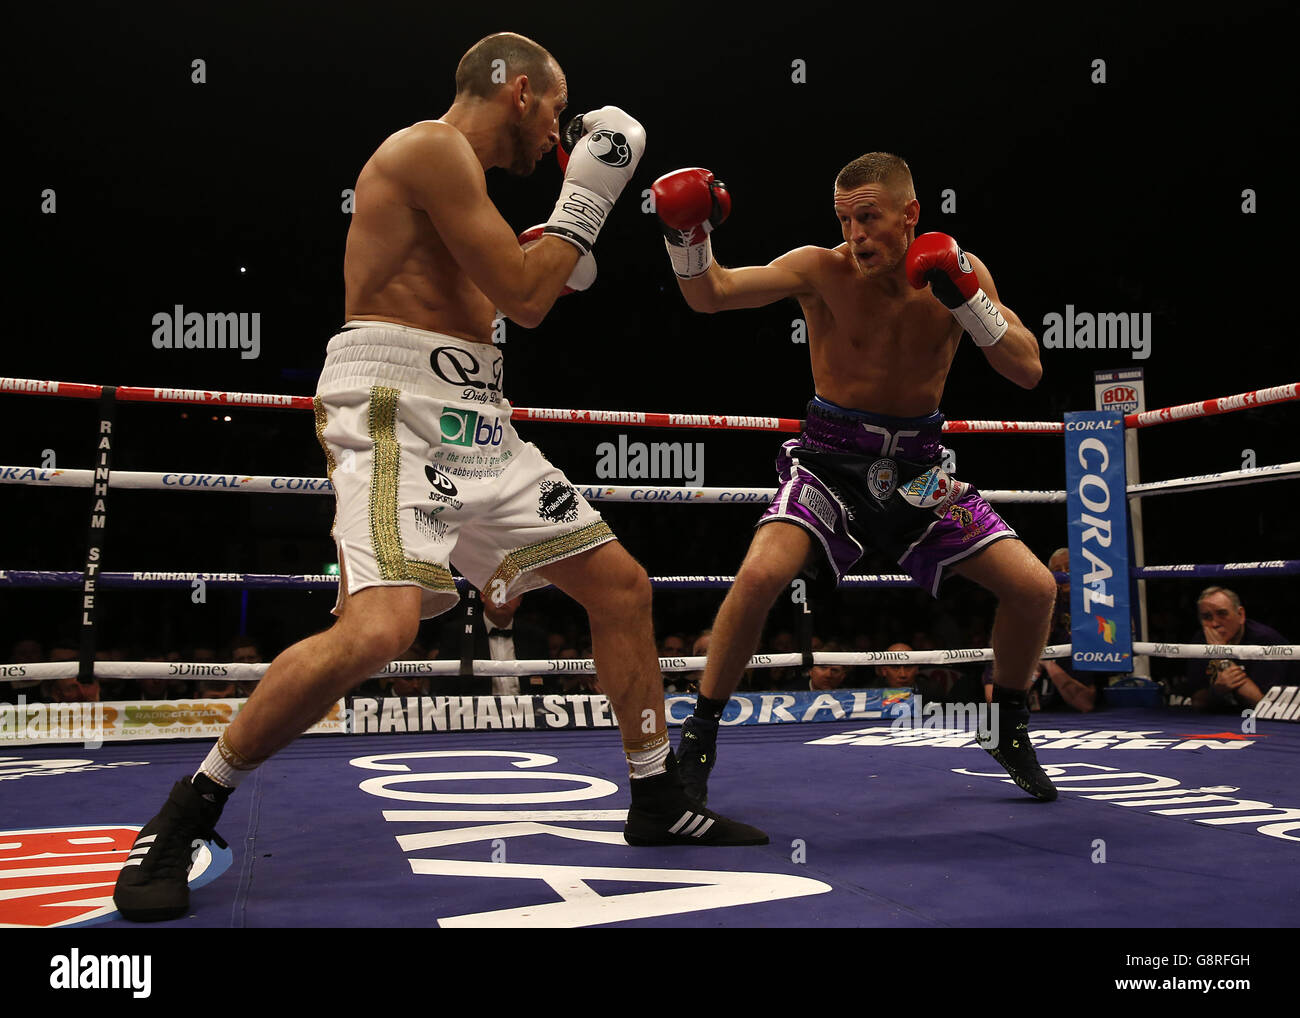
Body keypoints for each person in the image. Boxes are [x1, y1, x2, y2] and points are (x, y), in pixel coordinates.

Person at [114, 32, 765, 925]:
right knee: (378, 632)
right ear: (522, 92)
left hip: (478, 419)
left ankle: (655, 800)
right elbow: (531, 298)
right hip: (393, 405)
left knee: (620, 586)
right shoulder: (429, 149)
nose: (559, 140)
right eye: (558, 114)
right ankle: (187, 809)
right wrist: (594, 190)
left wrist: (554, 247)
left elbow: (514, 297)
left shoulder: (473, 196)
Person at [655, 152, 1059, 806]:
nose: (855, 236)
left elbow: (1028, 370)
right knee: (760, 575)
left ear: (910, 216)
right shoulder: (820, 269)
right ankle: (698, 735)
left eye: (868, 219)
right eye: (845, 220)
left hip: (921, 476)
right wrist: (686, 235)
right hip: (829, 463)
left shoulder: (961, 272)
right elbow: (712, 294)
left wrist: (966, 296)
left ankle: (1009, 725)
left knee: (1035, 587)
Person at [1176, 586, 1296, 711]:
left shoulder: (1265, 641)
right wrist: (1216, 691)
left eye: (1222, 614)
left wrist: (1222, 657)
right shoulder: (1201, 640)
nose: (1215, 623)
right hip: (1225, 720)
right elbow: (1197, 702)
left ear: (1240, 615)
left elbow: (1264, 705)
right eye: (1207, 617)